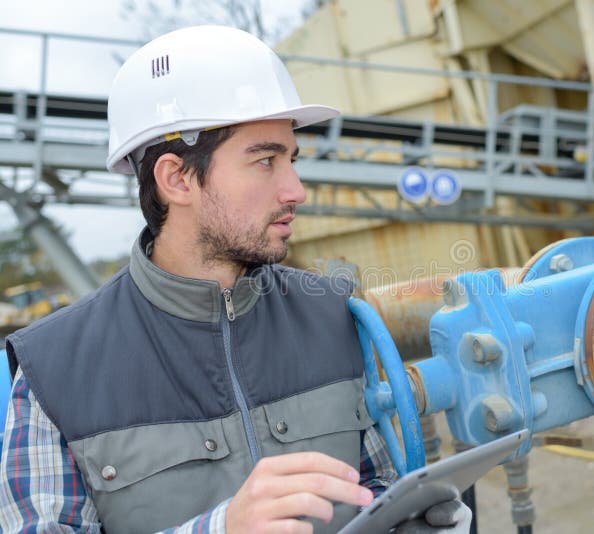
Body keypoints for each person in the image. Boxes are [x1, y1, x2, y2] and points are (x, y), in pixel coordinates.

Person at [0, 25, 470, 533]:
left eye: (291, 160)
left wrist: (411, 518)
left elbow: (375, 481)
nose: (296, 190)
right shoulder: (54, 369)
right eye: (265, 160)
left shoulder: (332, 314)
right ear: (176, 179)